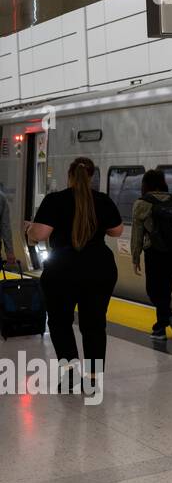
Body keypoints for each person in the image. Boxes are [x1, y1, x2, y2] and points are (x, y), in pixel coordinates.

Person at [23, 157, 123, 393]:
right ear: (91, 177)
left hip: (62, 269)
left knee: (60, 323)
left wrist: (30, 228)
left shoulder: (55, 200)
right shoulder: (102, 200)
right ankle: (92, 380)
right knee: (95, 325)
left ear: (70, 176)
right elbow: (117, 231)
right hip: (100, 268)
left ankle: (71, 377)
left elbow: (40, 233)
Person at [130, 169, 172, 342]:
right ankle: (159, 331)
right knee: (165, 292)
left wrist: (135, 258)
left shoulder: (142, 203)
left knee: (153, 291)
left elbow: (137, 233)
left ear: (145, 185)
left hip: (155, 254)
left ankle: (170, 318)